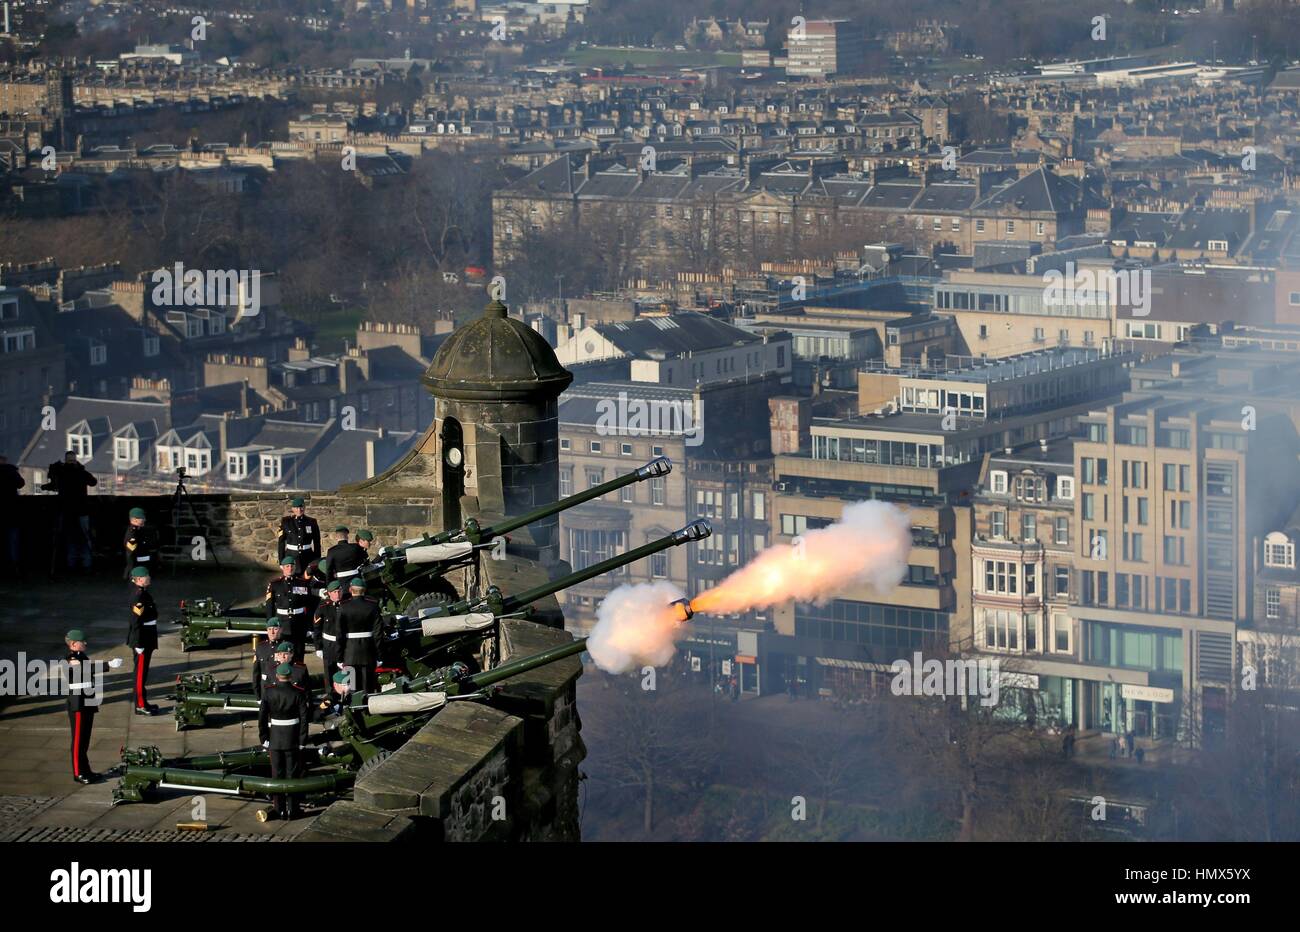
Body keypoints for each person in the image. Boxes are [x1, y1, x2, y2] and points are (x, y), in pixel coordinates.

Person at [64, 629, 121, 784]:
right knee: (78, 741)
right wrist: (108, 665)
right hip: (78, 701)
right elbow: (85, 669)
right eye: (83, 641)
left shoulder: (81, 656)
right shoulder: (71, 658)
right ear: (74, 644)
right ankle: (78, 772)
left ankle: (86, 770)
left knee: (85, 740)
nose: (86, 643)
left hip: (87, 699)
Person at [256, 662, 310, 822]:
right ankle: (292, 810)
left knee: (276, 775)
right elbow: (304, 719)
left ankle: (279, 809)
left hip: (274, 739)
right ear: (290, 676)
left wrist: (263, 738)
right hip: (292, 738)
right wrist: (302, 740)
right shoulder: (298, 693)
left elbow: (262, 717)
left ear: (278, 676)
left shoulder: (268, 692)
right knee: (292, 775)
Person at [42, 451, 98, 573]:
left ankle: (73, 564)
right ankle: (85, 564)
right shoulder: (78, 472)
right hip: (79, 510)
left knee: (72, 538)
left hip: (68, 510)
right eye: (71, 460)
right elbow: (93, 482)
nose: (72, 462)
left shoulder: (62, 472)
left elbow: (52, 485)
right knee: (82, 538)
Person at [338, 579, 382, 695]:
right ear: (364, 591)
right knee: (368, 687)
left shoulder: (343, 607)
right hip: (368, 652)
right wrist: (379, 655)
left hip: (349, 653)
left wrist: (339, 657)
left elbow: (339, 635)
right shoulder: (372, 606)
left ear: (350, 590)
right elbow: (378, 634)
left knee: (351, 687)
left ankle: (353, 708)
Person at [266, 556, 312, 662]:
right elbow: (270, 607)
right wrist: (270, 625)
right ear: (282, 568)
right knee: (281, 653)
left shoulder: (303, 583)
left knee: (299, 652)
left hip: (299, 623)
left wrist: (309, 626)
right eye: (287, 566)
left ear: (295, 567)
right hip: (282, 623)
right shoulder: (274, 584)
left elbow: (309, 605)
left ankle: (298, 675)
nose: (289, 568)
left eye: (292, 566)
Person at [127, 566, 160, 715]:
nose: (149, 578)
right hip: (142, 639)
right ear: (139, 579)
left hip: (148, 636)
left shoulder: (143, 593)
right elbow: (136, 621)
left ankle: (143, 701)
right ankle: (140, 705)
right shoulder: (138, 596)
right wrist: (139, 643)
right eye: (146, 576)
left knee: (144, 673)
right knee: (140, 675)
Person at [276, 497, 320, 575]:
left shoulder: (311, 522)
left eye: (301, 507)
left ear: (304, 507)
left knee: (307, 581)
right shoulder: (286, 521)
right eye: (296, 508)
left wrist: (317, 560)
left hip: (308, 557)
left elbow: (317, 543)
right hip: (291, 557)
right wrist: (281, 561)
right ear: (293, 508)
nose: (299, 510)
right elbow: (281, 543)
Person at [313, 579, 345, 682]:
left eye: (339, 591)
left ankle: (350, 695)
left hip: (345, 644)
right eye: (334, 592)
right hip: (329, 644)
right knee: (329, 672)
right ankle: (331, 696)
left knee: (347, 671)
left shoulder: (348, 605)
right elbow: (317, 628)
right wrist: (318, 647)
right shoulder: (323, 607)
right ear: (329, 593)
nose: (337, 594)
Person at [0, 454, 23, 576]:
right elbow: (21, 484)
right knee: (13, 541)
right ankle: (14, 567)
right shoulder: (11, 471)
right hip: (12, 511)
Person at [122, 507, 159, 579]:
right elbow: (131, 554)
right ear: (134, 519)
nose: (145, 519)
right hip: (137, 573)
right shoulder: (132, 534)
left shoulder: (138, 530)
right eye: (142, 518)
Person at [252, 620, 284, 700]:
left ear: (281, 630)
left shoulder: (286, 648)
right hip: (265, 692)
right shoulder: (260, 647)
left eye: (275, 629)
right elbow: (256, 673)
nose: (272, 632)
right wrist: (258, 696)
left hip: (281, 692)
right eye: (269, 629)